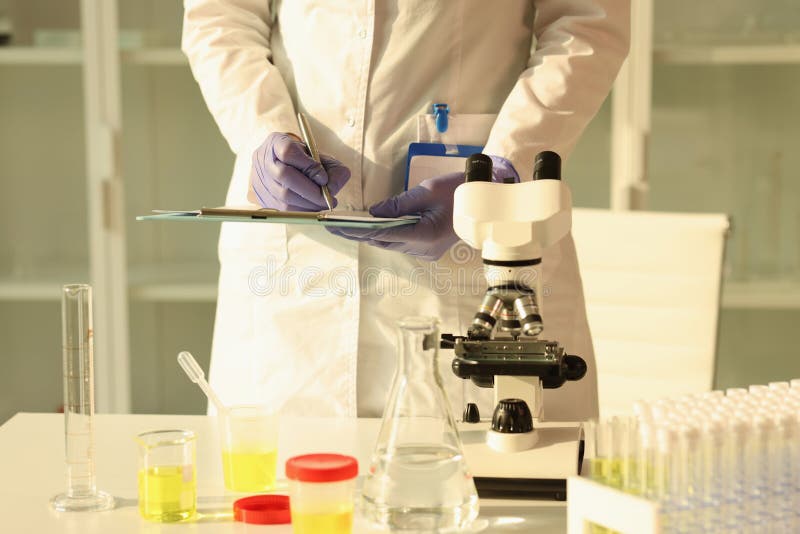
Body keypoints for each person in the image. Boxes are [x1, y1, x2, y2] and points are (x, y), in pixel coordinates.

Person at [182, 0, 630, 420]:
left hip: (478, 241)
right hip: (296, 269)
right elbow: (221, 18)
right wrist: (262, 133)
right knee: (281, 488)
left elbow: (586, 22)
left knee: (496, 484)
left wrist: (500, 173)